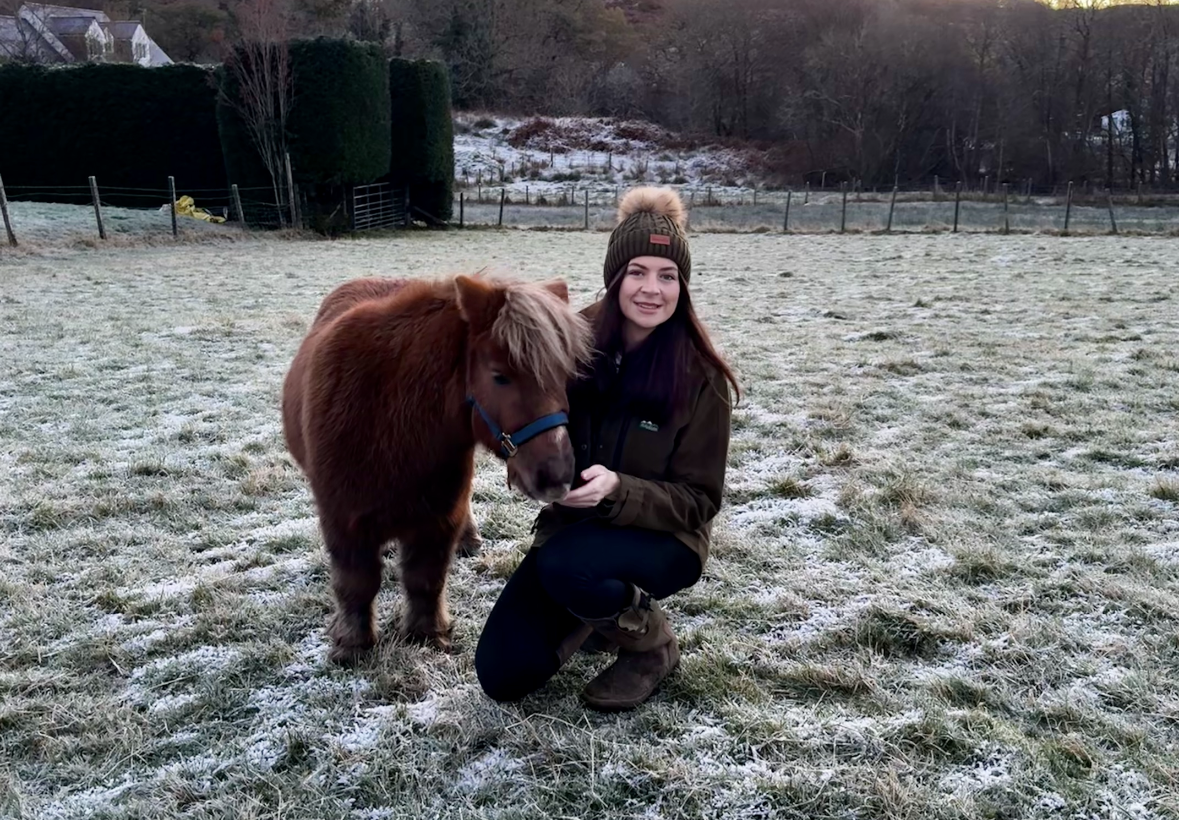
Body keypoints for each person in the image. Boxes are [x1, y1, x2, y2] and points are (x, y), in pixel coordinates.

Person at [475, 186, 740, 711]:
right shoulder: (572, 341)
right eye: (637, 272)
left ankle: (650, 646)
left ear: (682, 286)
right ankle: (596, 612)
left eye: (668, 276)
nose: (651, 289)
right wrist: (534, 477)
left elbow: (700, 500)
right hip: (575, 530)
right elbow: (529, 421)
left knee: (566, 567)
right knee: (501, 674)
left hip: (665, 538)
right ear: (614, 276)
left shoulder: (700, 376)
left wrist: (617, 490)